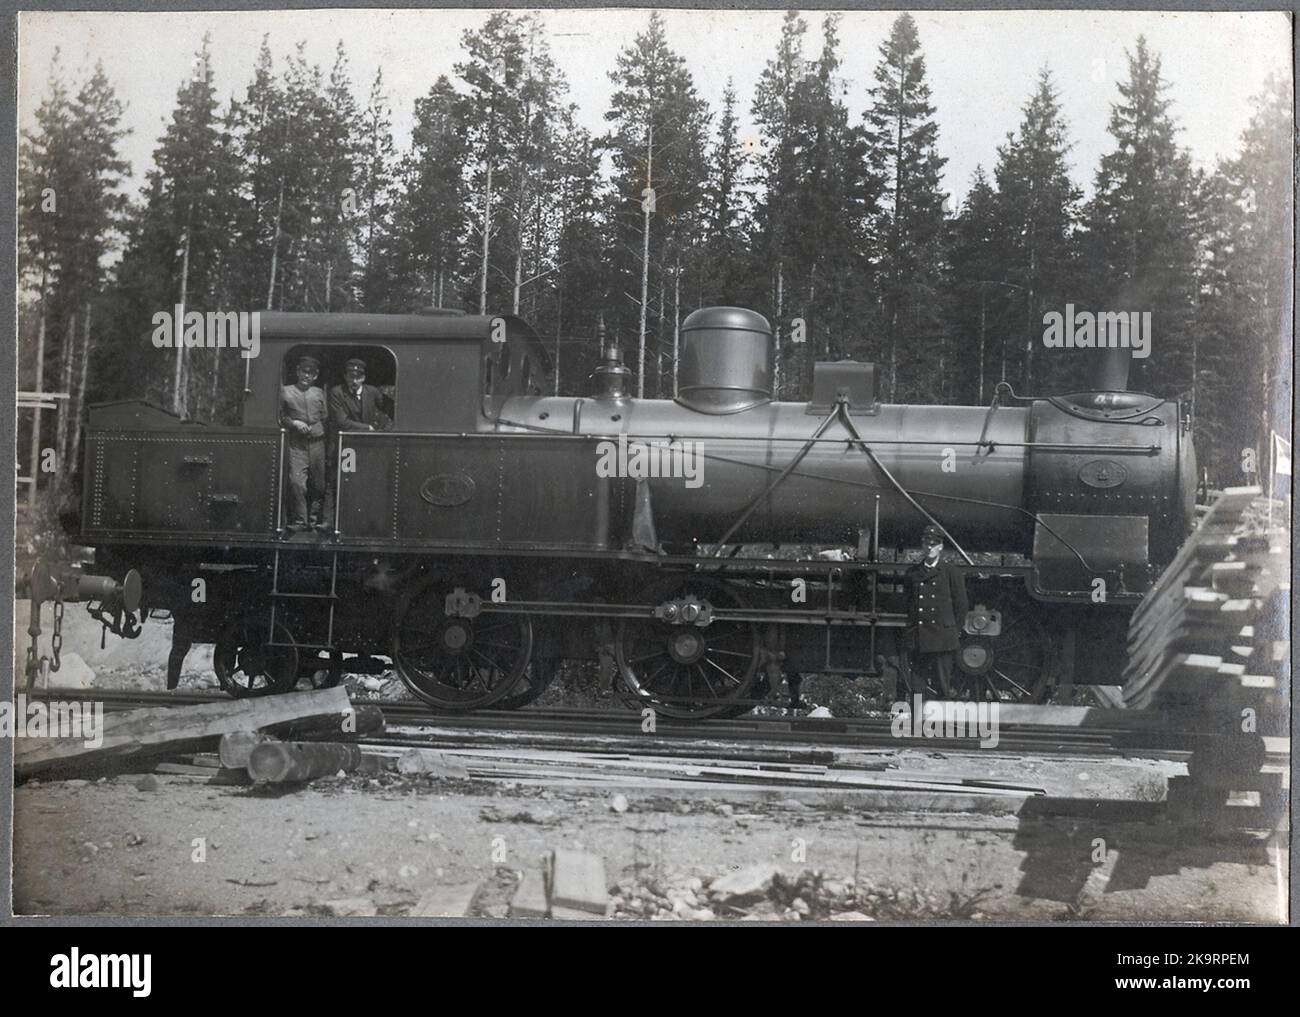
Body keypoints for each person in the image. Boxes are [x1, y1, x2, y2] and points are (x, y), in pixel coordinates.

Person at [903, 524, 970, 698]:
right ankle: (917, 723)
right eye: (927, 543)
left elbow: (961, 605)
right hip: (919, 637)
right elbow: (908, 603)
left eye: (934, 544)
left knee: (943, 685)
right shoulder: (912, 573)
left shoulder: (951, 572)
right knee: (917, 685)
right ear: (922, 546)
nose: (930, 547)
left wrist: (955, 632)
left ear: (941, 547)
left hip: (943, 639)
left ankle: (940, 724)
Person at [279, 355, 328, 530]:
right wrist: (294, 423)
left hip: (317, 444)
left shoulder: (320, 393)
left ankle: (314, 522)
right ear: (297, 372)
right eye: (304, 371)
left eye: (311, 373)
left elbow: (325, 416)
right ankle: (301, 521)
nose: (307, 376)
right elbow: (280, 415)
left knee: (319, 485)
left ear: (315, 376)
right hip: (296, 444)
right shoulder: (286, 391)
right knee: (296, 483)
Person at [329, 358, 393, 432]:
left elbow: (391, 409)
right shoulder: (337, 392)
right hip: (345, 439)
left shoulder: (372, 391)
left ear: (363, 378)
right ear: (345, 377)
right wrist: (367, 427)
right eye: (351, 377)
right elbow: (342, 421)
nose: (354, 381)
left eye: (358, 377)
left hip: (366, 438)